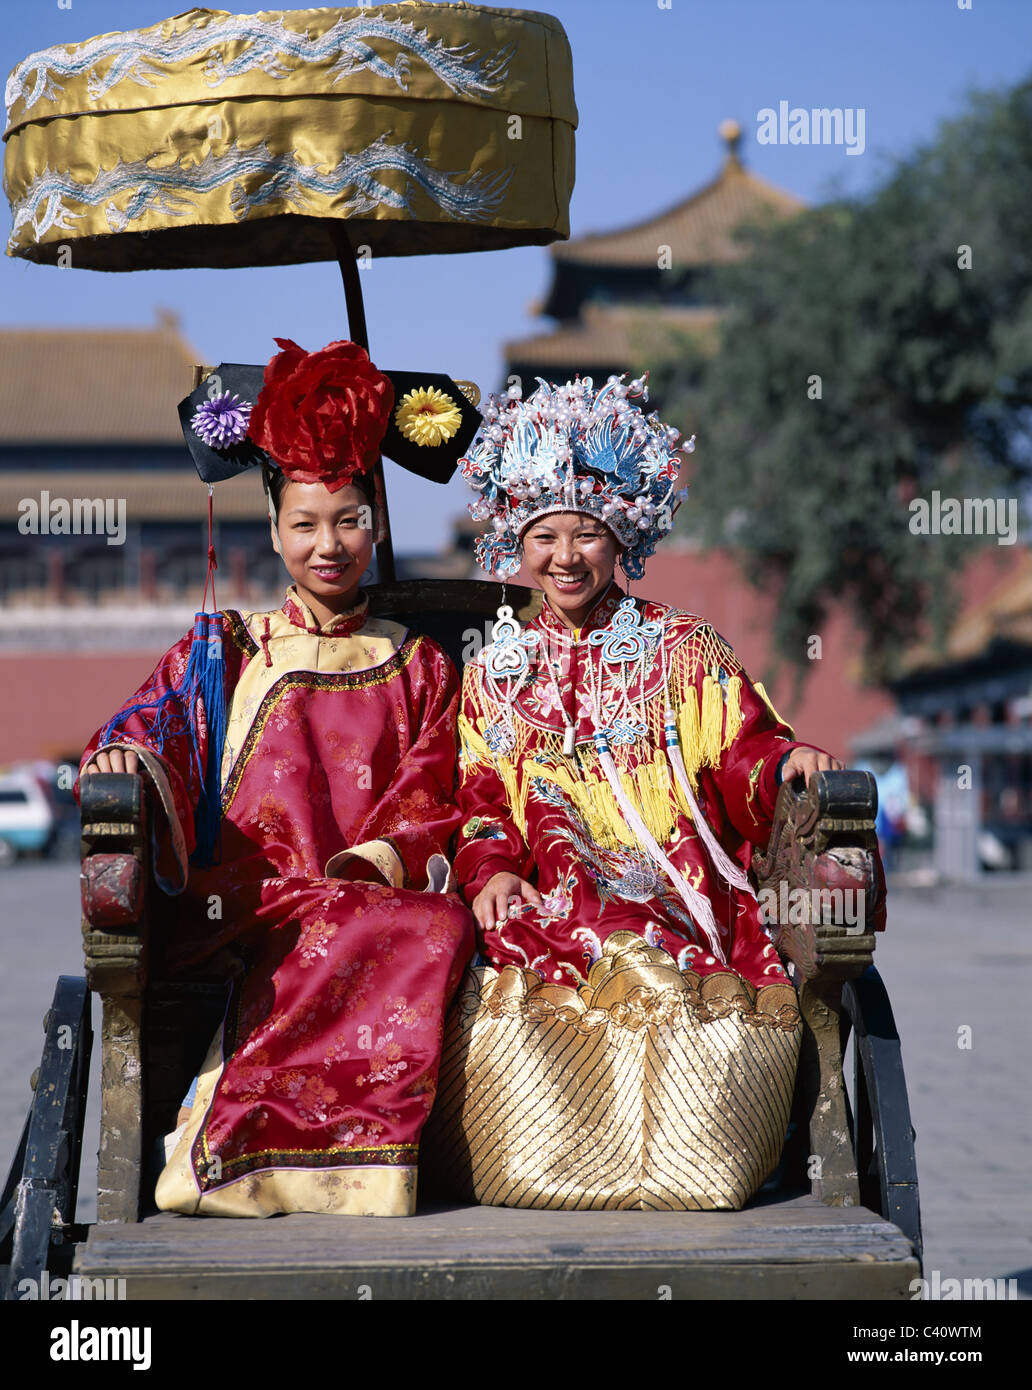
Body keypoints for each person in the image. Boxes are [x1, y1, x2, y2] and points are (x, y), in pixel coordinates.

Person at [426, 374, 844, 1212]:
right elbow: (475, 791)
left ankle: (682, 1156)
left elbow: (740, 750)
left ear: (625, 540)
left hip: (672, 878)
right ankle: (542, 1158)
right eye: (545, 535)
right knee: (513, 954)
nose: (566, 556)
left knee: (642, 943)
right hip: (544, 880)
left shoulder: (683, 649)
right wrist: (492, 870)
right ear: (516, 542)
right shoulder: (492, 672)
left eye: (589, 534)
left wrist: (783, 763)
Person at [79, 338, 475, 1217]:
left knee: (433, 922)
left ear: (376, 523)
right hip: (242, 898)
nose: (328, 546)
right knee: (367, 922)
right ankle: (230, 1151)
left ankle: (352, 1171)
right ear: (272, 530)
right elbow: (151, 726)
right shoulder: (225, 649)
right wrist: (124, 755)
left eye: (348, 520)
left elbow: (432, 790)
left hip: (362, 890)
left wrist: (373, 861)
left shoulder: (420, 665)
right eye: (305, 524)